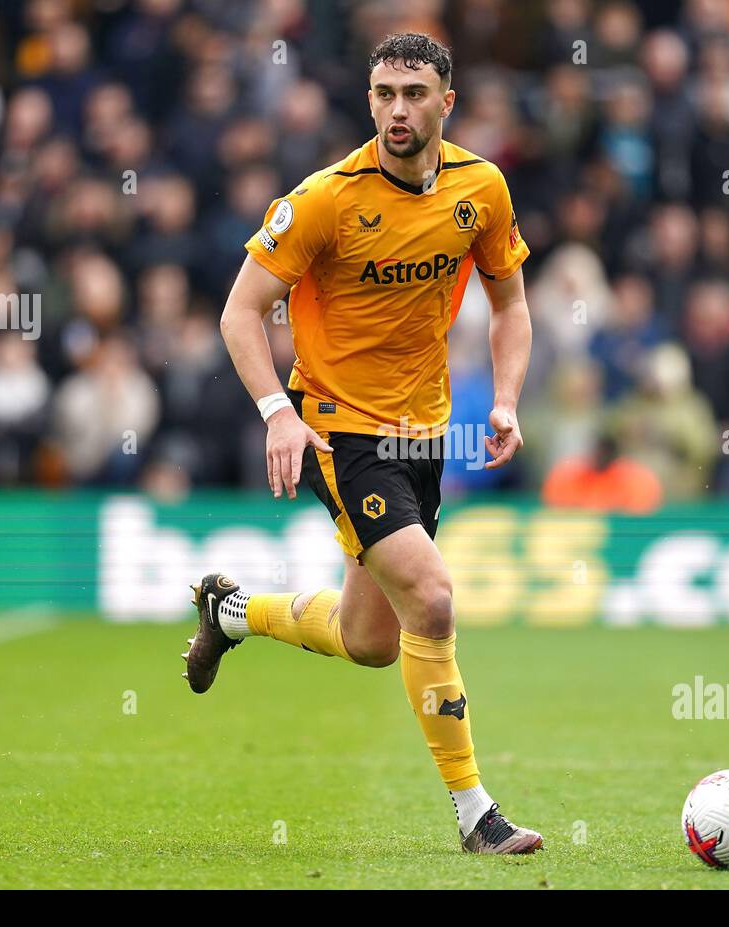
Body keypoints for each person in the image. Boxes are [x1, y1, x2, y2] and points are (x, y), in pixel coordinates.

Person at [181, 33, 542, 855]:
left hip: (426, 431)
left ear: (447, 103)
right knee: (436, 597)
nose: (397, 110)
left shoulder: (481, 189)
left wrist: (509, 399)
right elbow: (241, 312)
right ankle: (475, 814)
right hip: (340, 430)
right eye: (383, 93)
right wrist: (278, 410)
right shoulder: (323, 200)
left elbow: (512, 303)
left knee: (372, 640)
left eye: (414, 93)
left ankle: (233, 612)